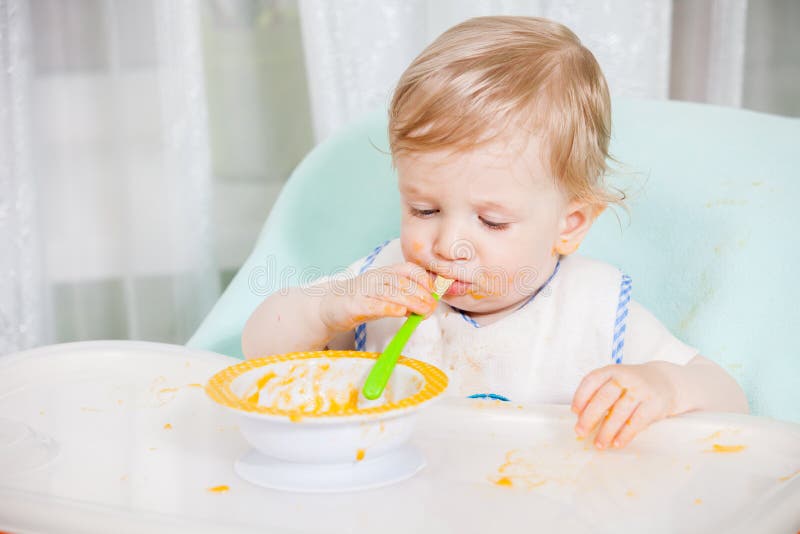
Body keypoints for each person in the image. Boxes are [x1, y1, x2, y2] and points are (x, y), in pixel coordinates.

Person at [242, 16, 748, 449]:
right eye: (424, 209)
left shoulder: (592, 307)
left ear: (568, 225)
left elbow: (731, 401)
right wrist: (328, 307)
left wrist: (663, 386)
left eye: (492, 222)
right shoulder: (380, 287)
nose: (447, 245)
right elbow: (258, 352)